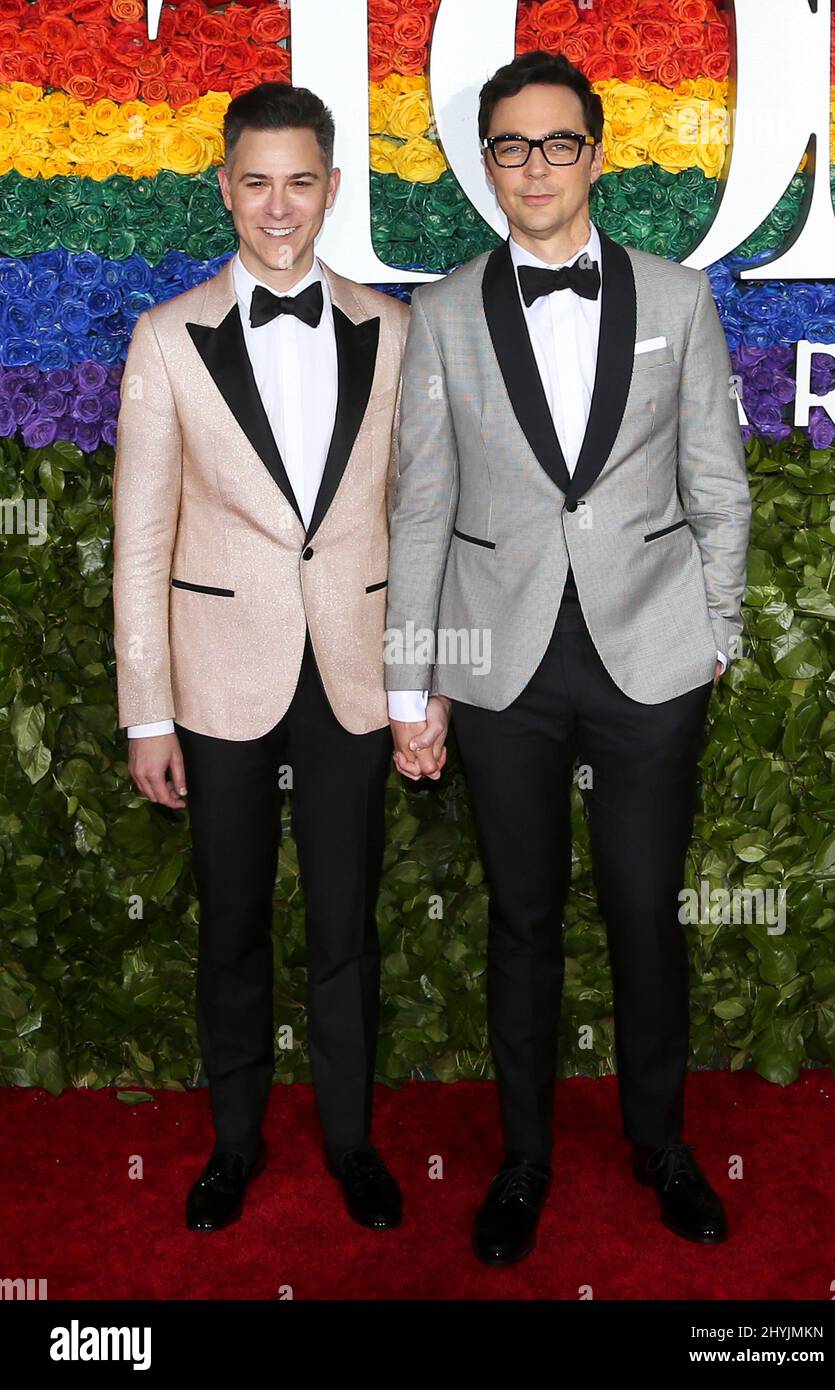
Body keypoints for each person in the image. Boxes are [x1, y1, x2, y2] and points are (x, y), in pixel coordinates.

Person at [385, 50, 751, 1265]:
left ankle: (661, 1143)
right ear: (486, 165)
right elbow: (421, 508)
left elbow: (715, 481)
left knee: (647, 912)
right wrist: (413, 679)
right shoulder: (438, 312)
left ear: (595, 155)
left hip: (652, 653)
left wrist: (719, 632)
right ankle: (524, 1157)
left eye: (556, 144)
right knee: (521, 917)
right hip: (500, 666)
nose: (533, 166)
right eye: (509, 146)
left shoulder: (678, 297)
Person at [112, 81, 409, 1234]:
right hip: (214, 680)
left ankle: (350, 1143)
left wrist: (415, 680)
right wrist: (147, 714)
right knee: (231, 924)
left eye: (300, 181)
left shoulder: (397, 328)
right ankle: (233, 1144)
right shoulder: (163, 337)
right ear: (224, 187)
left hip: (351, 675)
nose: (277, 205)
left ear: (332, 189)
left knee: (345, 921)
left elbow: (417, 522)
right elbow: (140, 543)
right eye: (255, 180)